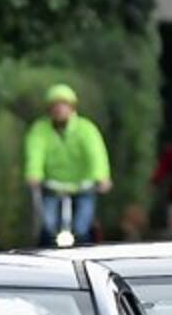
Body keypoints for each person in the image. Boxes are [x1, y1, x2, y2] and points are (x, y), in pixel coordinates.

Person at [24, 85, 112, 248]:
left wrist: (101, 177)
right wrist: (34, 173)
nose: (59, 110)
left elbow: (96, 154)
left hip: (83, 185)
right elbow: (35, 152)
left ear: (72, 108)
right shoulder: (40, 130)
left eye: (63, 105)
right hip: (53, 185)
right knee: (48, 227)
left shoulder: (86, 129)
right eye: (55, 106)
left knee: (82, 228)